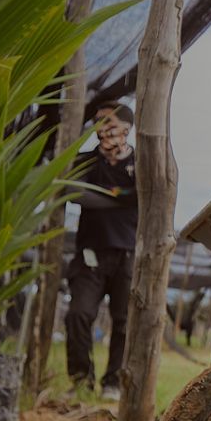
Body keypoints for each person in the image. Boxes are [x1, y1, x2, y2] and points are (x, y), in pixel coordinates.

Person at [66, 102, 138, 400]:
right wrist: (123, 197)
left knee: (124, 322)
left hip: (128, 255)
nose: (100, 127)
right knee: (78, 314)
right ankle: (81, 380)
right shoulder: (85, 162)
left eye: (107, 121)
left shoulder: (143, 162)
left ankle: (112, 383)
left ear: (126, 126)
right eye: (96, 122)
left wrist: (106, 195)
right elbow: (75, 194)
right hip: (90, 255)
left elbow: (147, 195)